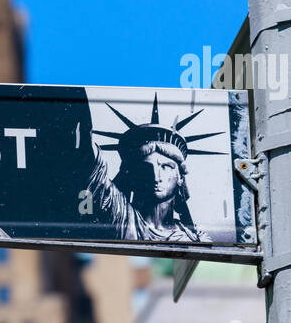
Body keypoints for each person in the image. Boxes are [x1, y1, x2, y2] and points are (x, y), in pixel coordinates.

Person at [85, 96, 223, 243]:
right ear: (131, 177)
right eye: (145, 168)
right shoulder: (120, 216)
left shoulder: (195, 237)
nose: (156, 177)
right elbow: (87, 156)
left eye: (166, 167)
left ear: (181, 178)